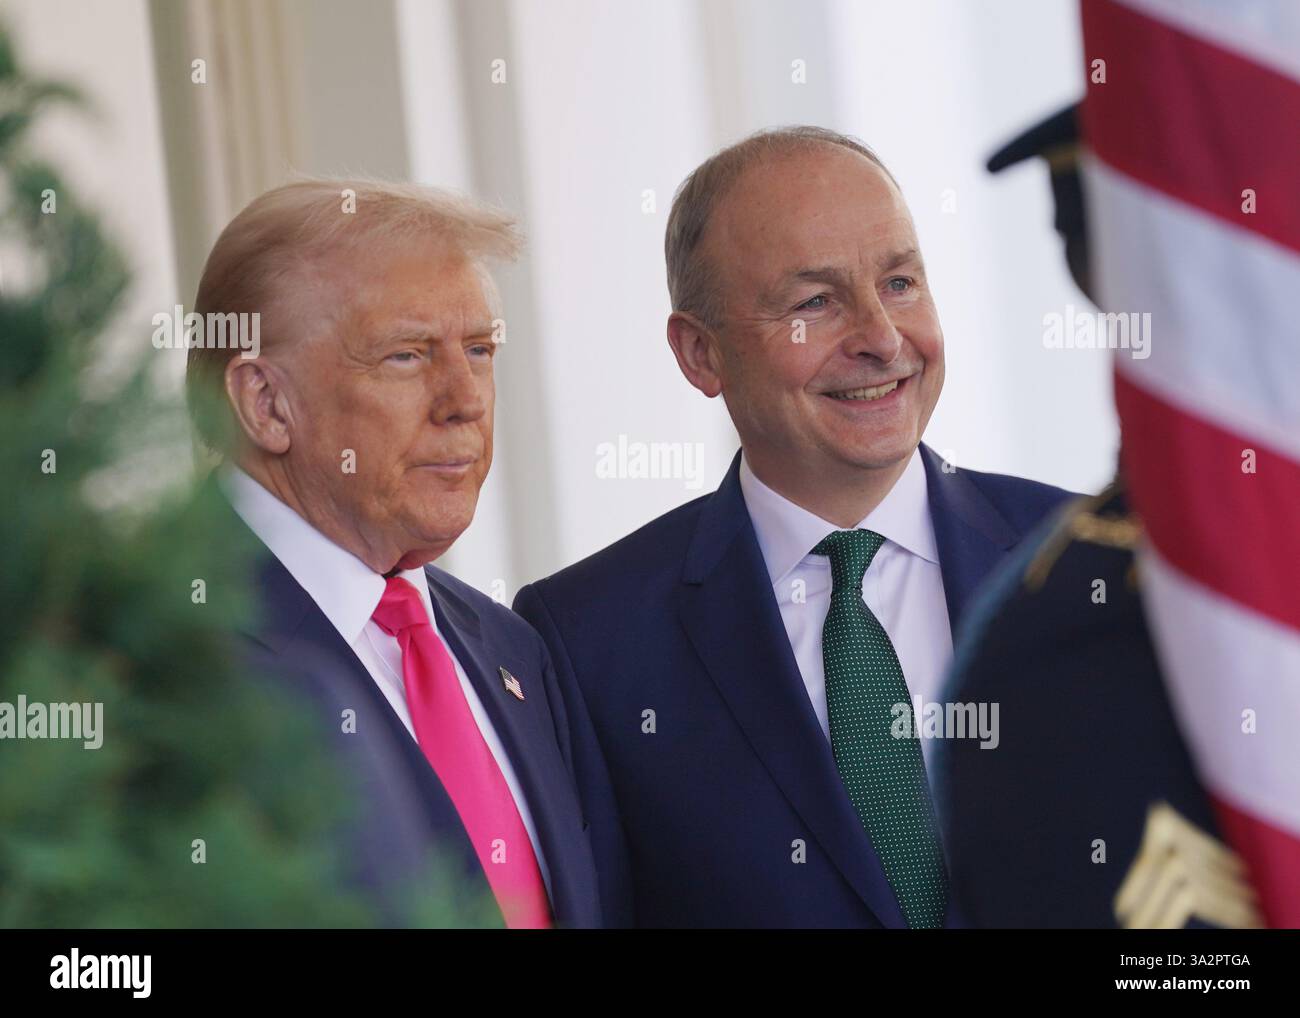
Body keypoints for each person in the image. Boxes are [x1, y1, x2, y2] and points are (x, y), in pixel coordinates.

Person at [514, 127, 1076, 928]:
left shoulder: (1089, 558)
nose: (881, 338)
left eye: (901, 282)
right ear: (701, 354)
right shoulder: (586, 641)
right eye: (815, 303)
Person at [186, 179, 606, 928]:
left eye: (479, 350)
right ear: (265, 403)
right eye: (406, 356)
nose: (465, 399)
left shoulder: (514, 647)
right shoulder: (159, 643)